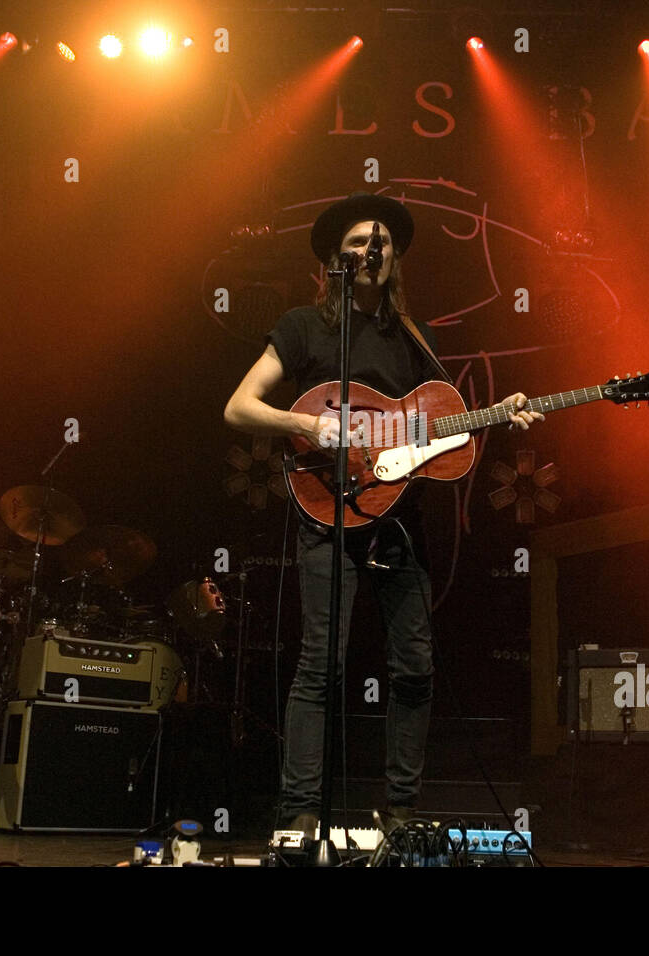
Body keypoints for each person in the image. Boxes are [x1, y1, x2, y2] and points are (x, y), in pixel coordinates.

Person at [224, 193, 543, 832]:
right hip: (326, 510)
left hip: (397, 516)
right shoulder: (303, 327)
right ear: (335, 261)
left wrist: (497, 415)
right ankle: (301, 819)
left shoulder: (412, 339)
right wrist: (309, 425)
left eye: (382, 244)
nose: (372, 251)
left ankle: (400, 813)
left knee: (415, 667)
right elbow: (239, 407)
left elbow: (440, 428)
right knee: (321, 665)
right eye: (358, 244)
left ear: (394, 260)